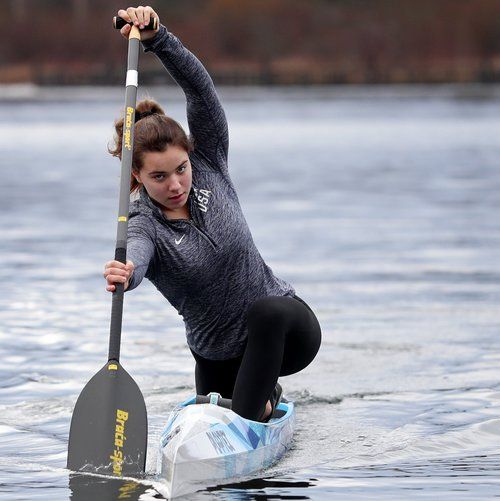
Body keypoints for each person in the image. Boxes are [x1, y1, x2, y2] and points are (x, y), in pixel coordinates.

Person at [104, 6, 321, 422]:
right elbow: (136, 255)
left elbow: (200, 90)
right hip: (216, 357)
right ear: (136, 175)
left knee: (266, 311)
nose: (175, 184)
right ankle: (260, 395)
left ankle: (252, 409)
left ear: (191, 157)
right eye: (159, 176)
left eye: (180, 169)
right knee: (220, 418)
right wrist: (126, 273)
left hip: (287, 330)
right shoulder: (143, 223)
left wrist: (158, 39)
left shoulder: (210, 163)